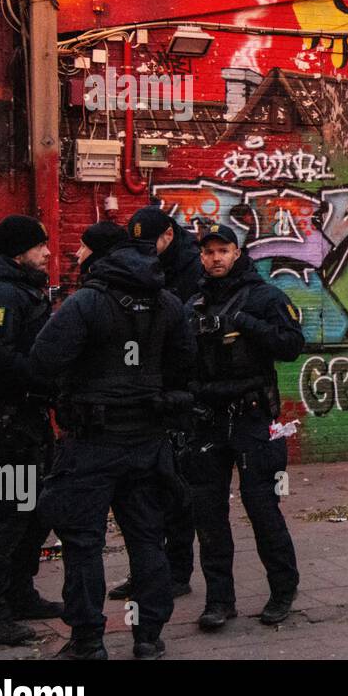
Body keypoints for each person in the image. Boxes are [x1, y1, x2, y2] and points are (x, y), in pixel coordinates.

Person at [32, 232, 195, 659]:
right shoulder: (168, 304)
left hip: (91, 443)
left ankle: (88, 640)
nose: (76, 253)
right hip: (147, 441)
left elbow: (43, 360)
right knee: (147, 538)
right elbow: (185, 366)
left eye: (84, 247)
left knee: (83, 543)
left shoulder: (86, 303)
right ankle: (147, 635)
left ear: (103, 257)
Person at [184, 223, 304, 630]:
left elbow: (291, 345)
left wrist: (247, 324)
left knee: (262, 507)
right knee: (209, 515)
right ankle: (219, 601)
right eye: (208, 252)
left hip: (253, 419)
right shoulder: (195, 302)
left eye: (223, 250)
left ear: (237, 253)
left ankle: (283, 590)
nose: (215, 258)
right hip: (208, 422)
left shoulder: (264, 296)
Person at [0, 215, 62, 647]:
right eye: (39, 247)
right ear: (19, 252)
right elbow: (0, 358)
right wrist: (48, 379)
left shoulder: (18, 287)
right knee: (7, 517)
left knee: (38, 510)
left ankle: (20, 593)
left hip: (30, 417)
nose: (47, 253)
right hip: (12, 421)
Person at [108, 205, 202, 602]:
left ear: (168, 236)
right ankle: (149, 571)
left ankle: (176, 573)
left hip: (178, 394)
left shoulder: (191, 271)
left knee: (176, 491)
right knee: (145, 499)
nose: (146, 251)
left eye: (152, 243)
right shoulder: (147, 271)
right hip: (149, 392)